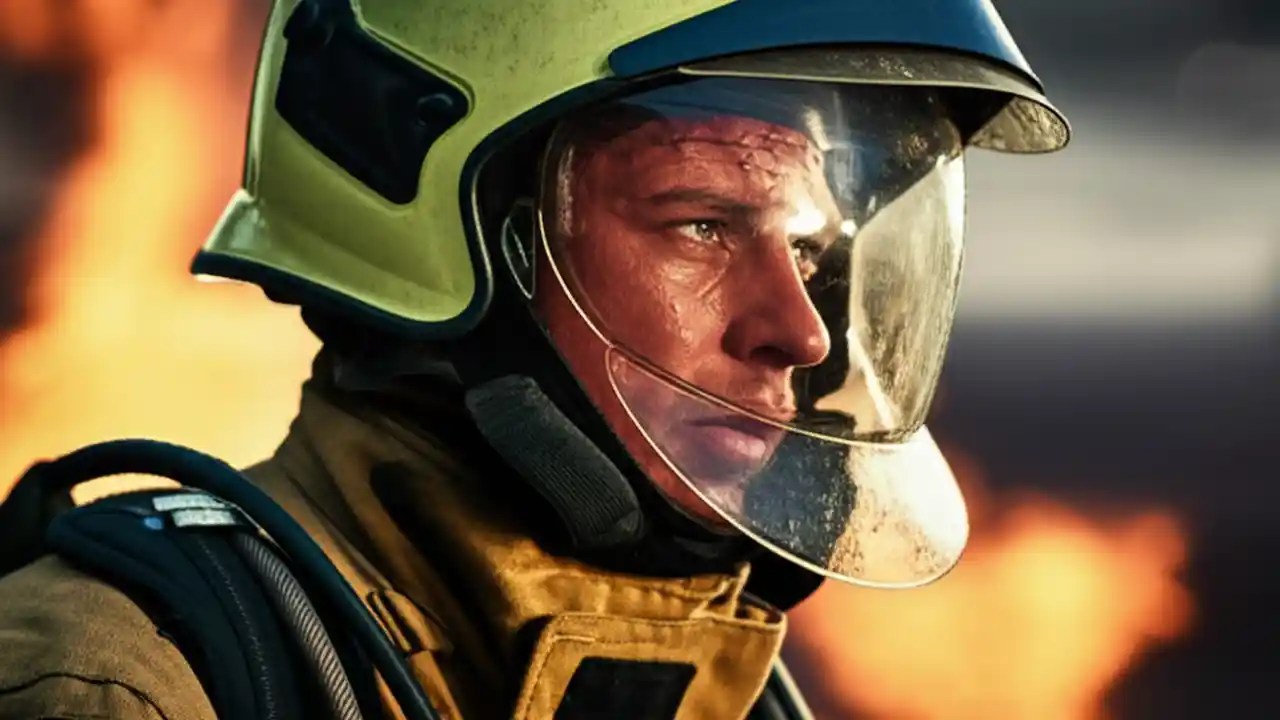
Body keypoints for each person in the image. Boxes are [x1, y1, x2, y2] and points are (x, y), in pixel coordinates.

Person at [0, 0, 1069, 718]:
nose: (797, 333)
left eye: (806, 248)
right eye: (700, 225)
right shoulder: (116, 683)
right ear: (460, 235)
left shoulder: (738, 689)